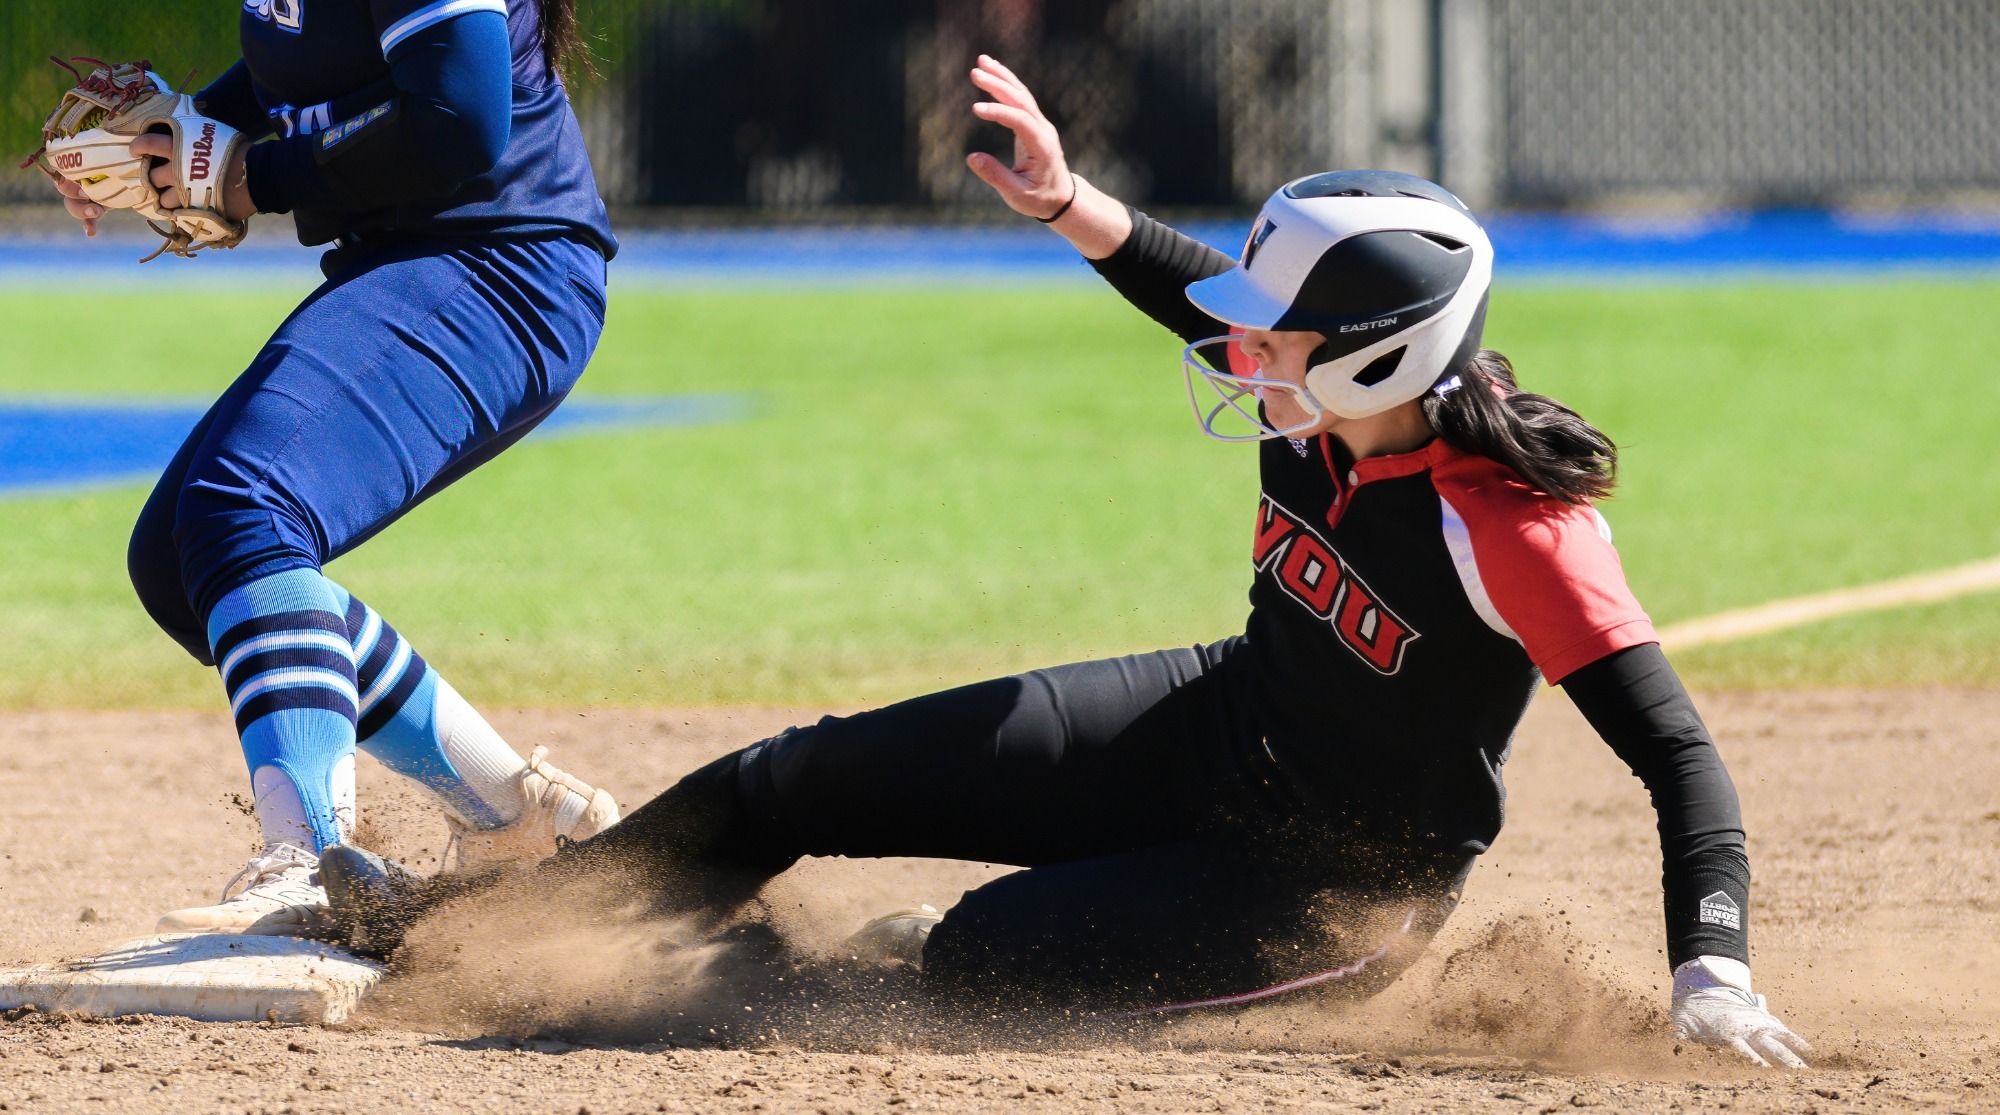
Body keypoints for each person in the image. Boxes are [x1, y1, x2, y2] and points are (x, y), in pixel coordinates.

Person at [326, 56, 1810, 1068]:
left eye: (1275, 335)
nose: (1241, 351)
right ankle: (490, 931)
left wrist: (1712, 973)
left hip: (1329, 892)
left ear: (1382, 358)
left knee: (976, 962)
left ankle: (800, 973)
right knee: (803, 776)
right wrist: (1065, 200)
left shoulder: (1513, 528)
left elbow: (1678, 758)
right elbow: (1193, 292)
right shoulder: (1320, 395)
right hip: (1216, 725)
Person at [47, 0, 623, 936]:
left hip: (501, 266)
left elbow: (460, 119)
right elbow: (314, 61)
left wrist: (250, 178)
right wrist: (176, 136)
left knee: (246, 508)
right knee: (179, 565)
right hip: (411, 258)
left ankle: (308, 867)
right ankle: (518, 816)